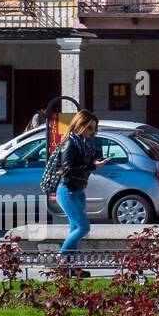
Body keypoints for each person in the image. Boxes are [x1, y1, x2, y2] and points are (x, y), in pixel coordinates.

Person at [55, 110, 105, 267]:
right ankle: (61, 258)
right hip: (67, 190)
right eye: (89, 128)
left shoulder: (84, 143)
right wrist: (92, 165)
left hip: (78, 191)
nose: (92, 132)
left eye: (94, 128)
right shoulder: (71, 142)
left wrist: (95, 161)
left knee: (75, 228)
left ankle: (70, 265)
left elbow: (82, 164)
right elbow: (67, 168)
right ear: (80, 125)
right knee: (83, 227)